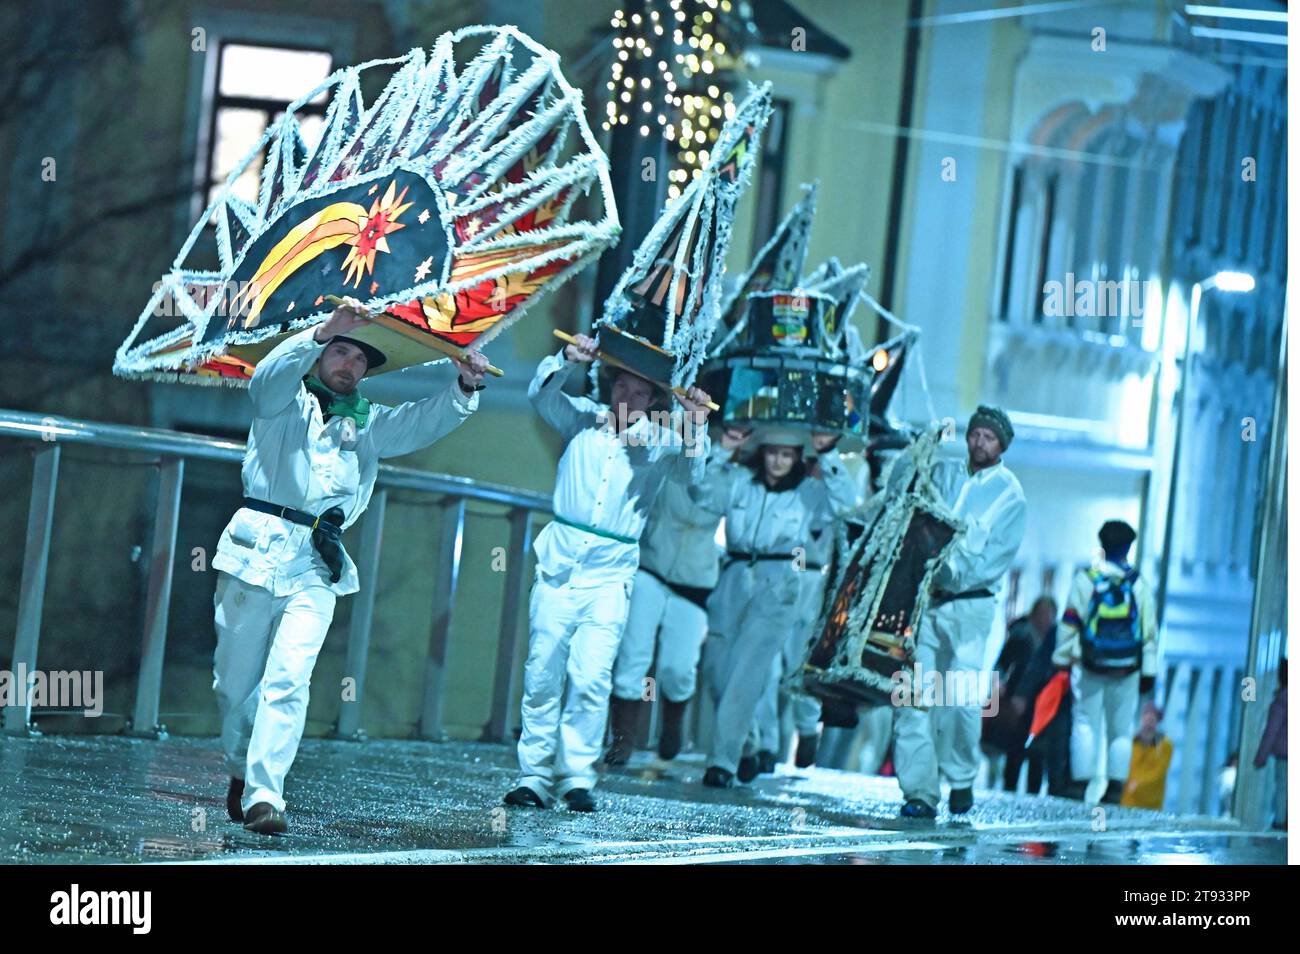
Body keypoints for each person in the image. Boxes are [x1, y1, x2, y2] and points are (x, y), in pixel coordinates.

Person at [212, 302, 489, 834]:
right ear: (320, 354)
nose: (349, 364)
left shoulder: (369, 423)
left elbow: (421, 423)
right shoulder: (283, 401)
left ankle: (266, 796)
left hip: (317, 562)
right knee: (234, 683)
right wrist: (319, 332)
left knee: (291, 676)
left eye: (359, 359)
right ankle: (239, 768)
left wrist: (464, 389)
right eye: (341, 351)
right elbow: (264, 380)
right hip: (255, 551)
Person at [504, 334, 712, 812]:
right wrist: (564, 359)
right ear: (609, 385)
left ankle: (577, 776)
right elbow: (540, 395)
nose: (627, 397)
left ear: (654, 399)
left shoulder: (662, 440)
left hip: (609, 576)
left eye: (640, 392)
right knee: (542, 670)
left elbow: (694, 478)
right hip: (560, 565)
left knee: (591, 675)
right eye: (621, 386)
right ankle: (533, 775)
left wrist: (696, 423)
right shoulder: (581, 416)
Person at [692, 426, 861, 787]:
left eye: (787, 454)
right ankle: (748, 741)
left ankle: (722, 761)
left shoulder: (808, 492)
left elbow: (849, 506)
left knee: (749, 670)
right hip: (735, 574)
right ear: (763, 452)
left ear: (797, 458)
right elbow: (703, 495)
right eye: (773, 452)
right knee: (716, 669)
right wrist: (721, 452)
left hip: (780, 578)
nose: (779, 461)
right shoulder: (740, 481)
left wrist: (828, 455)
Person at [893, 406, 1027, 820]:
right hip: (926, 603)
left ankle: (962, 776)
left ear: (1001, 445)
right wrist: (913, 451)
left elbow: (992, 561)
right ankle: (919, 790)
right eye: (976, 434)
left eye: (989, 438)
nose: (979, 443)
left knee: (960, 699)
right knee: (912, 695)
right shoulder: (945, 472)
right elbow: (904, 494)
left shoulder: (1011, 496)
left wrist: (945, 570)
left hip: (971, 608)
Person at [605, 478, 722, 765]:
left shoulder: (728, 473)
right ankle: (622, 739)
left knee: (679, 668)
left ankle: (672, 725)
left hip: (696, 579)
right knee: (634, 654)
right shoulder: (667, 456)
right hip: (651, 565)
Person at [1052, 519, 1157, 805]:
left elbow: (1070, 622)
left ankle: (1079, 784)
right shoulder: (1138, 584)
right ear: (1128, 547)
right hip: (1128, 667)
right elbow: (1149, 632)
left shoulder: (1086, 579)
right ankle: (1113, 789)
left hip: (1089, 664)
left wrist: (1061, 657)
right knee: (1120, 730)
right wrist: (1149, 670)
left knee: (1085, 723)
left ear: (1102, 544)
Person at [985, 596, 1057, 793]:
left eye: (1049, 614)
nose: (1045, 619)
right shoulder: (1021, 636)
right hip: (1017, 701)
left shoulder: (1055, 640)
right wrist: (998, 686)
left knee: (1037, 752)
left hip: (1043, 702)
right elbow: (1001, 664)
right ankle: (1009, 789)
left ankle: (1033, 793)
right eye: (1042, 614)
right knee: (1015, 749)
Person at [1253, 660, 1287, 830]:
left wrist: (1260, 757)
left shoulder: (1282, 700)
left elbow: (1271, 731)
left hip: (1285, 753)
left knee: (1282, 785)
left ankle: (1281, 821)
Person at [1121, 702, 1173, 810]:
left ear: (1158, 722)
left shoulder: (1165, 745)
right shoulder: (1132, 741)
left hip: (1152, 803)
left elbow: (1159, 771)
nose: (1148, 723)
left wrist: (1138, 783)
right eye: (1146, 718)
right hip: (1129, 800)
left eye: (1152, 720)